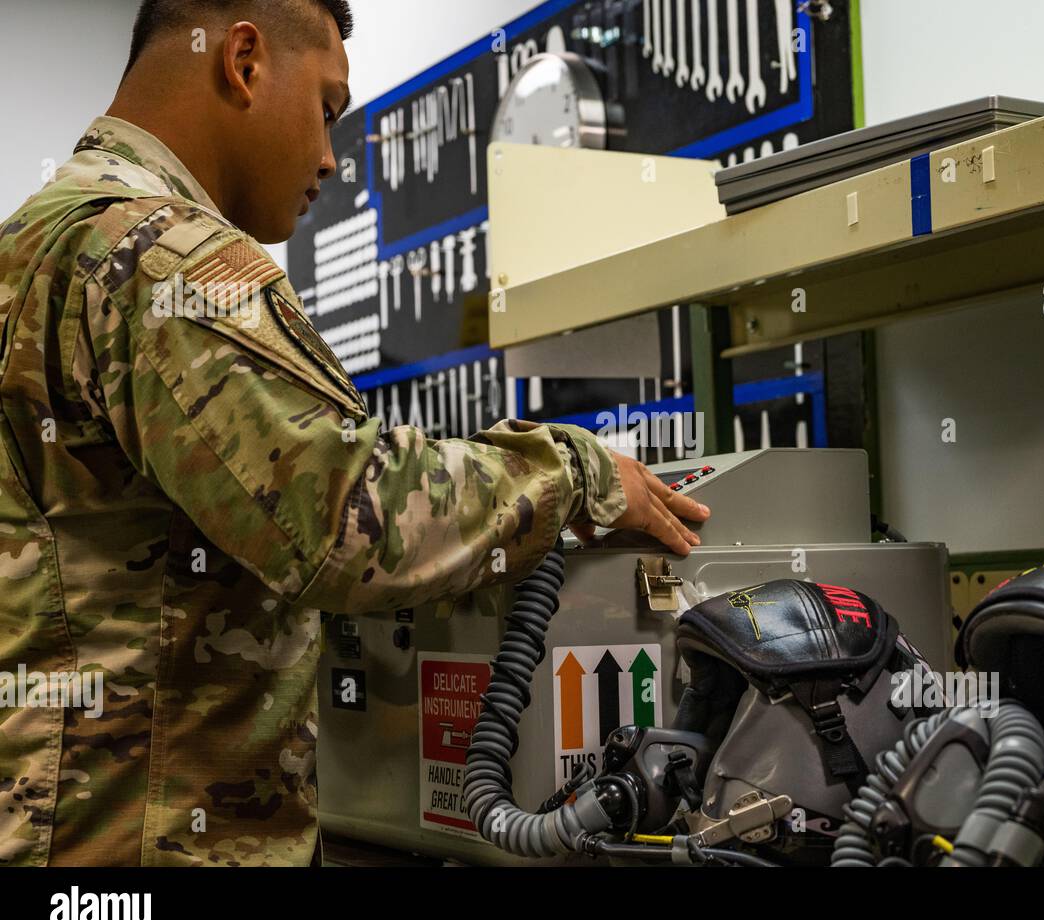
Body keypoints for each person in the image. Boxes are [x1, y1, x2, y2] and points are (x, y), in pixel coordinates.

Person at [0, 0, 708, 867]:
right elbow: (345, 515)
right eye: (328, 109)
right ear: (245, 60)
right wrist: (574, 471)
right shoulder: (160, 255)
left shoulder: (32, 242)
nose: (331, 157)